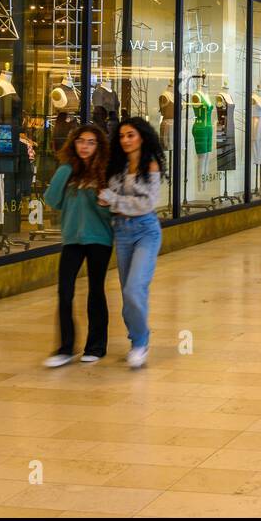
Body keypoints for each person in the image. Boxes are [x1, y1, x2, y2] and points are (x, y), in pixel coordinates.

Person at [41, 125, 115, 368]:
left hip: (99, 239)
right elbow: (52, 200)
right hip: (72, 239)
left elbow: (111, 209)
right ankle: (65, 347)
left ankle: (96, 346)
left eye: (91, 142)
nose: (85, 146)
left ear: (99, 146)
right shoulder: (67, 170)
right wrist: (66, 169)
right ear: (74, 143)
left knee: (95, 290)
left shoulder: (105, 171)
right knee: (65, 291)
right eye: (81, 141)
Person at [98, 116, 164, 369]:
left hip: (146, 231)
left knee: (134, 289)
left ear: (142, 137)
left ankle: (140, 342)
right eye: (122, 136)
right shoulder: (116, 164)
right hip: (122, 232)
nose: (126, 140)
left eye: (131, 135)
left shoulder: (151, 165)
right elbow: (102, 195)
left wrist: (112, 199)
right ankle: (136, 338)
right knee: (130, 292)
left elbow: (146, 204)